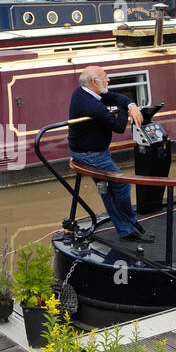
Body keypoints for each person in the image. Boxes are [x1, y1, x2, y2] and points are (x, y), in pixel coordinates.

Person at [68, 65, 153, 242]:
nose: (109, 80)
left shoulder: (83, 93)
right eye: (105, 77)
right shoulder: (91, 105)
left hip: (89, 151)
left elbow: (114, 96)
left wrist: (130, 104)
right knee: (122, 185)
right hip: (92, 155)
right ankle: (129, 224)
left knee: (106, 189)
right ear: (94, 82)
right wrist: (126, 110)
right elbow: (119, 127)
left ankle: (126, 228)